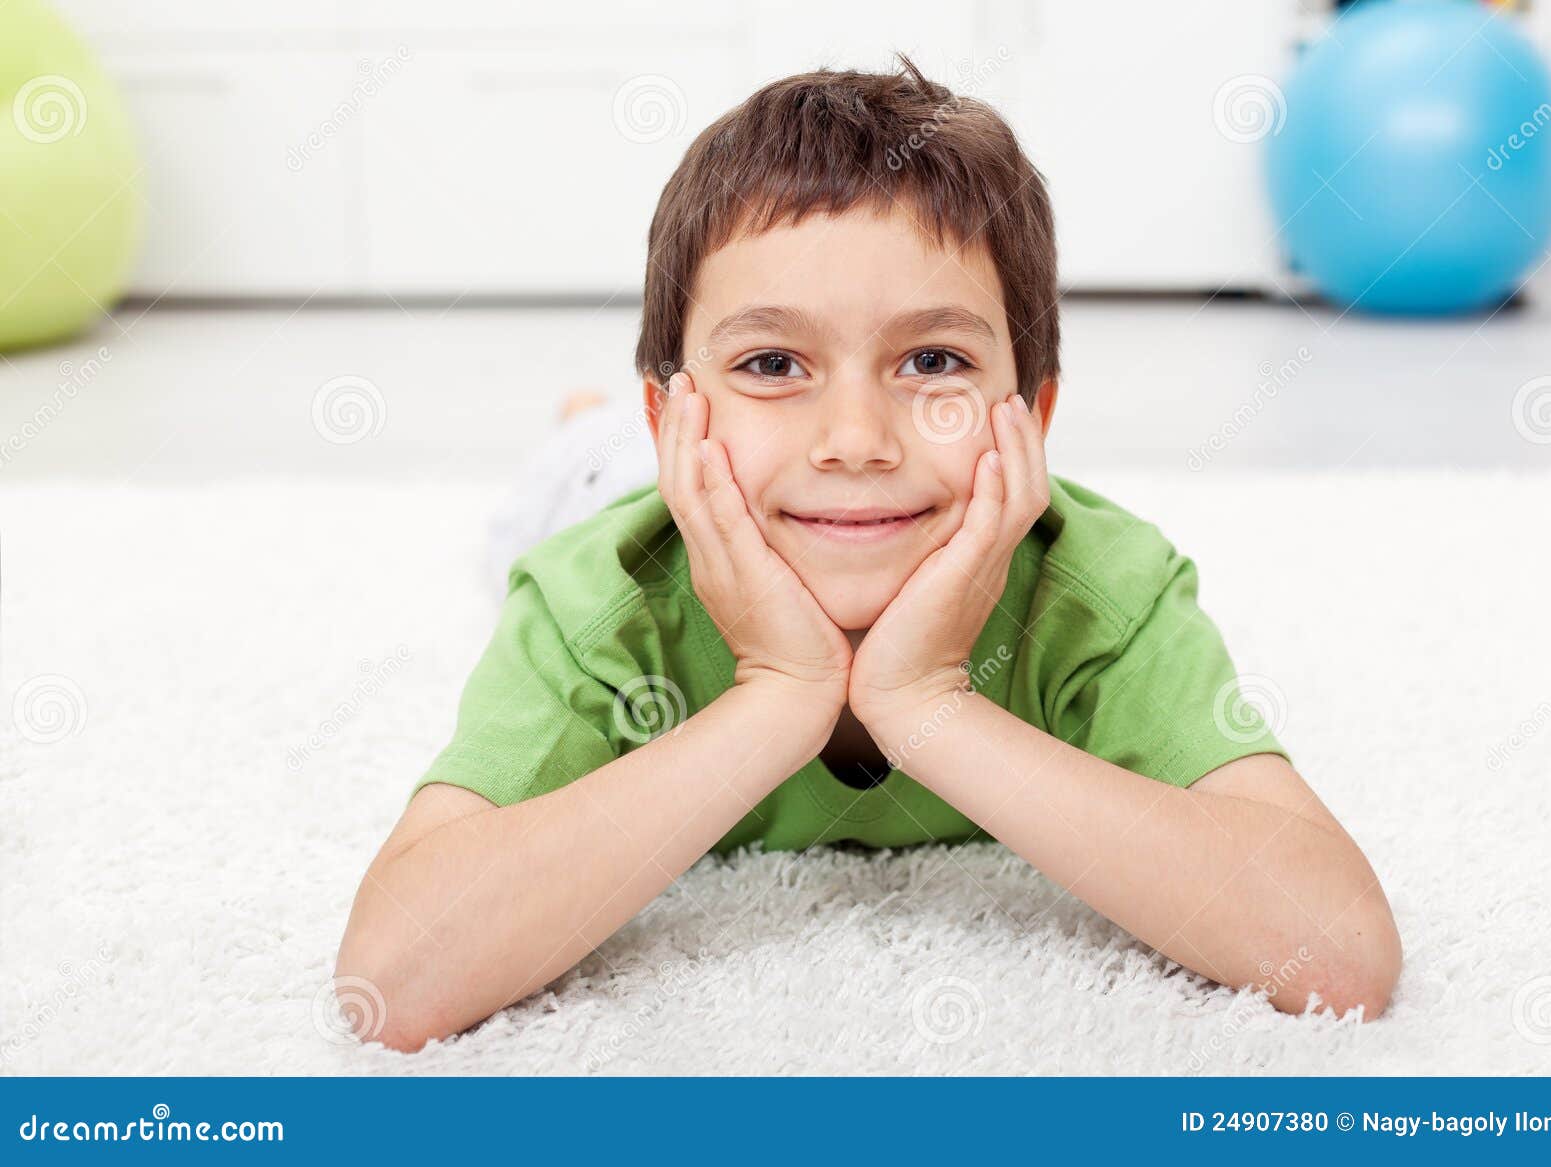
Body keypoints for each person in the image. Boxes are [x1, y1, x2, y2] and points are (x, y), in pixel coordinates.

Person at [336, 55, 1402, 1053]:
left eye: (931, 360)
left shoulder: (1102, 590)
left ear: (1030, 413)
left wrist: (932, 699)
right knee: (576, 463)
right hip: (608, 480)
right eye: (771, 360)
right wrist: (779, 691)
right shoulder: (597, 599)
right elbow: (393, 982)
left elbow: (1338, 955)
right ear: (676, 421)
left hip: (732, 471)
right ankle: (594, 423)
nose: (856, 440)